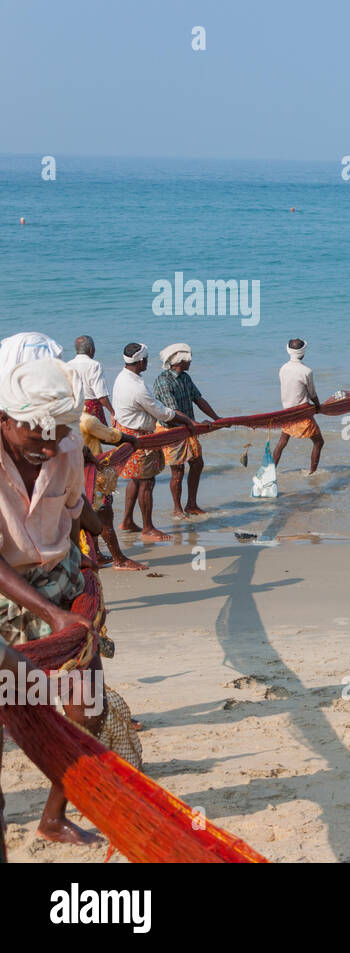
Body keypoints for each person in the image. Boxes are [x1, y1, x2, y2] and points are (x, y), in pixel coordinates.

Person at [0, 357, 106, 846]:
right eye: (35, 434)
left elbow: (72, 506)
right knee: (7, 710)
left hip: (63, 583)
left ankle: (53, 816)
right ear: (3, 419)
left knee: (88, 707)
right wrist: (51, 615)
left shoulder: (65, 448)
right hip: (9, 599)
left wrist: (96, 527)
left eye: (57, 433)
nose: (48, 445)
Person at [112, 343, 196, 543]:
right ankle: (148, 528)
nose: (147, 362)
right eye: (146, 360)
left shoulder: (121, 377)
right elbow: (161, 412)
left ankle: (127, 521)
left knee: (134, 478)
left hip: (125, 433)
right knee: (147, 482)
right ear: (141, 361)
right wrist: (184, 419)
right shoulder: (137, 386)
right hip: (139, 437)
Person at [153, 344, 220, 519]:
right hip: (171, 430)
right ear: (181, 361)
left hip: (188, 428)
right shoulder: (163, 381)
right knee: (178, 471)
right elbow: (173, 412)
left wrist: (217, 418)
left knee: (197, 464)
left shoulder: (185, 378)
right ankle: (177, 509)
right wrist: (196, 425)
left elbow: (198, 399)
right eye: (188, 359)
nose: (191, 362)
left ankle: (191, 504)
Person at [80, 410, 146, 570]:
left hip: (73, 476)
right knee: (104, 516)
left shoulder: (54, 418)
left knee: (89, 514)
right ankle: (119, 559)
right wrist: (130, 439)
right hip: (92, 475)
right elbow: (109, 435)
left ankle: (96, 554)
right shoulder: (86, 420)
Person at [273, 339, 324, 474]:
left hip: (287, 413)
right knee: (319, 442)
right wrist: (318, 407)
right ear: (303, 352)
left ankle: (270, 471)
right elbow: (312, 393)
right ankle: (312, 473)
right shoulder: (306, 371)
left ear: (288, 351)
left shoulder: (283, 368)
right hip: (302, 414)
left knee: (282, 443)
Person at [65, 335, 113, 424]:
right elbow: (101, 395)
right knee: (100, 435)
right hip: (92, 410)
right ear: (91, 350)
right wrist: (112, 412)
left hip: (75, 410)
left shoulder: (68, 365)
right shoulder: (95, 365)